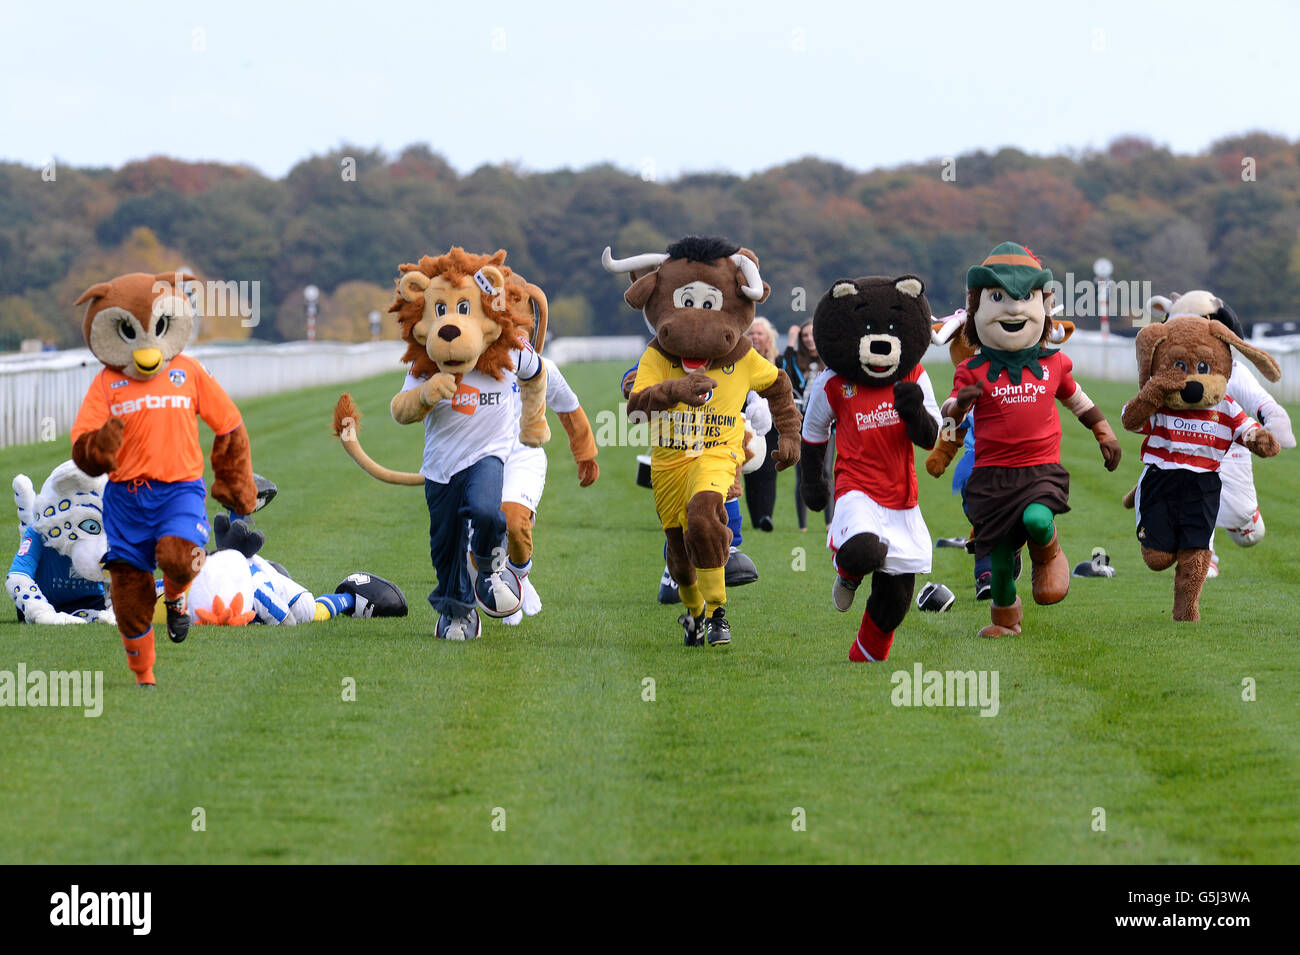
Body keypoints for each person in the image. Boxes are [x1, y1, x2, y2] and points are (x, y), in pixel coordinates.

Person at [780, 320, 833, 529]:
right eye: (805, 336)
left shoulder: (829, 360)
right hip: (800, 423)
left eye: (813, 335)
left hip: (829, 423)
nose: (809, 339)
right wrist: (791, 342)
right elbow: (782, 371)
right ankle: (802, 525)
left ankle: (830, 521)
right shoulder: (795, 361)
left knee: (826, 471)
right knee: (802, 472)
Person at [743, 317, 780, 531]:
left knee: (767, 470)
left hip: (770, 426)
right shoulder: (740, 361)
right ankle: (755, 517)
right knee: (748, 469)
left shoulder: (778, 362)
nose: (755, 337)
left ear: (768, 339)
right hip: (743, 423)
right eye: (752, 333)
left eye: (759, 334)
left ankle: (766, 516)